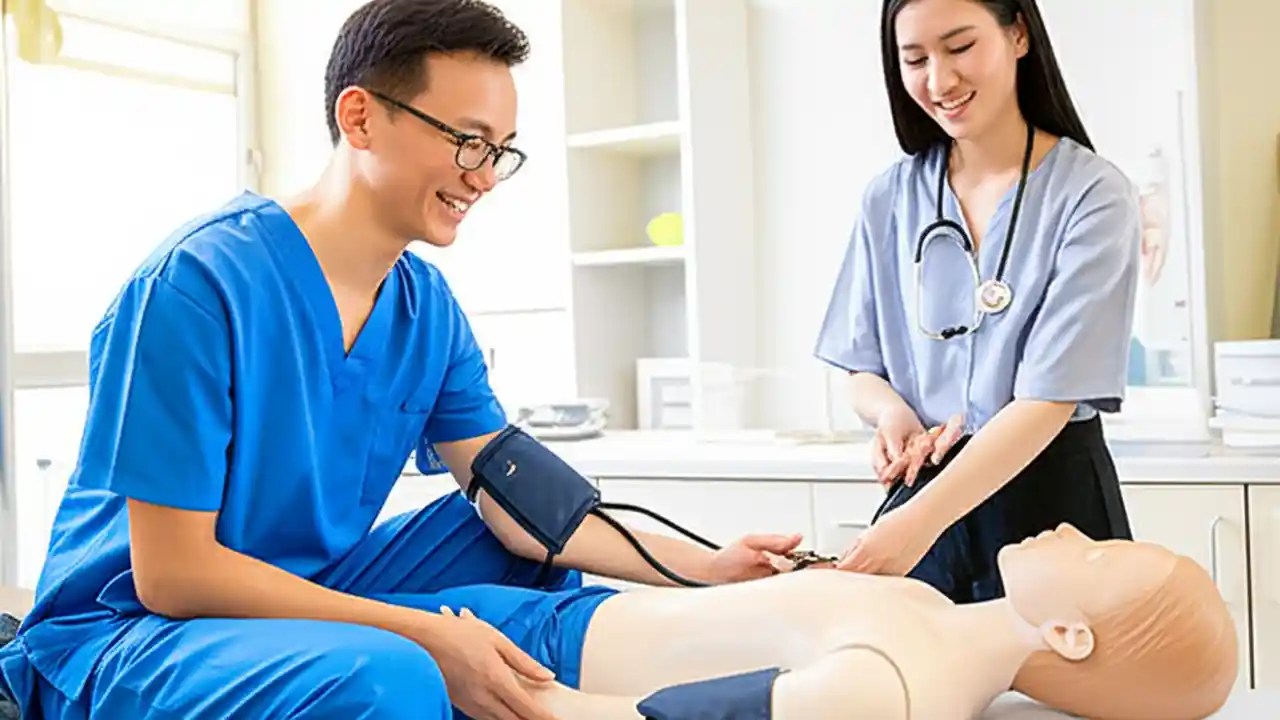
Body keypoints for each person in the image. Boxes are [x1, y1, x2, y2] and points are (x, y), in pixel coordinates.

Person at [0, 2, 806, 718]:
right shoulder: (197, 285)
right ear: (361, 118)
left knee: (506, 537)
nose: (485, 177)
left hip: (314, 579)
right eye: (466, 142)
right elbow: (172, 576)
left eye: (501, 150)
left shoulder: (425, 308)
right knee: (395, 675)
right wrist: (422, 633)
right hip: (132, 626)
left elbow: (522, 496)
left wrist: (711, 568)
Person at [814, 0, 1141, 602]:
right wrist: (891, 415)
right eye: (915, 59)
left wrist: (917, 521)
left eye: (960, 47)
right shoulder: (890, 197)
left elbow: (1049, 398)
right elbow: (861, 366)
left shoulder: (1092, 194)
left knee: (1061, 690)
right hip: (924, 491)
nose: (939, 81)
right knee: (924, 692)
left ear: (1018, 34)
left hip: (1047, 498)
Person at [454, 523, 1240, 720]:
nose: (1072, 532)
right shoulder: (932, 618)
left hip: (521, 651)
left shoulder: (895, 686)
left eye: (1096, 554)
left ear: (1070, 636)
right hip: (568, 608)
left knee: (336, 619)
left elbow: (669, 717)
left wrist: (524, 693)